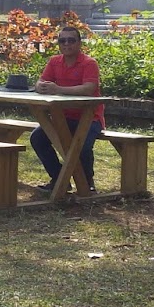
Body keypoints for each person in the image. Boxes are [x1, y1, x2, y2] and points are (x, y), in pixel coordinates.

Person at [30, 26, 104, 194]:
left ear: (79, 43)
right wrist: (40, 86)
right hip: (62, 117)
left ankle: (87, 183)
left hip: (89, 118)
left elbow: (89, 88)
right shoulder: (54, 61)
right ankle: (58, 179)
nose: (66, 44)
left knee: (82, 146)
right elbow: (40, 82)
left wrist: (58, 89)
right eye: (62, 40)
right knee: (38, 138)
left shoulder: (89, 63)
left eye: (71, 40)